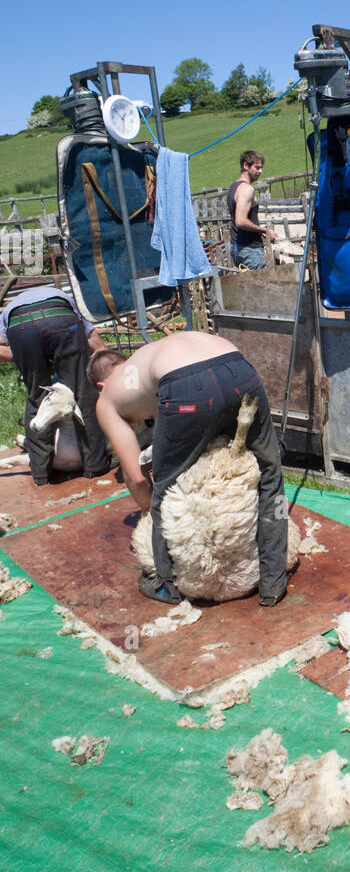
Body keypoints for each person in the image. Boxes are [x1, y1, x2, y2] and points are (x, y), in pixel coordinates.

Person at [90, 331, 288, 606]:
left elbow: (136, 478)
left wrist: (149, 507)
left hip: (185, 385)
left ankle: (165, 584)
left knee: (165, 485)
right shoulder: (145, 358)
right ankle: (273, 582)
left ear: (101, 384)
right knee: (270, 475)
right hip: (239, 369)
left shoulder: (106, 399)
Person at [0, 285, 111, 484]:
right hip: (60, 316)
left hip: (20, 326)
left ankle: (41, 473)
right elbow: (96, 344)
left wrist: (33, 362)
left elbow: (9, 352)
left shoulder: (8, 313)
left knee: (36, 395)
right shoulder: (64, 298)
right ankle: (95, 465)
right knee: (83, 392)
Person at [227, 151, 278, 270]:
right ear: (245, 166)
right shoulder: (247, 189)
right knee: (259, 287)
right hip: (250, 249)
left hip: (237, 246)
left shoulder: (233, 188)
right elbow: (241, 221)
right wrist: (265, 230)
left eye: (261, 168)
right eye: (257, 167)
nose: (260, 171)